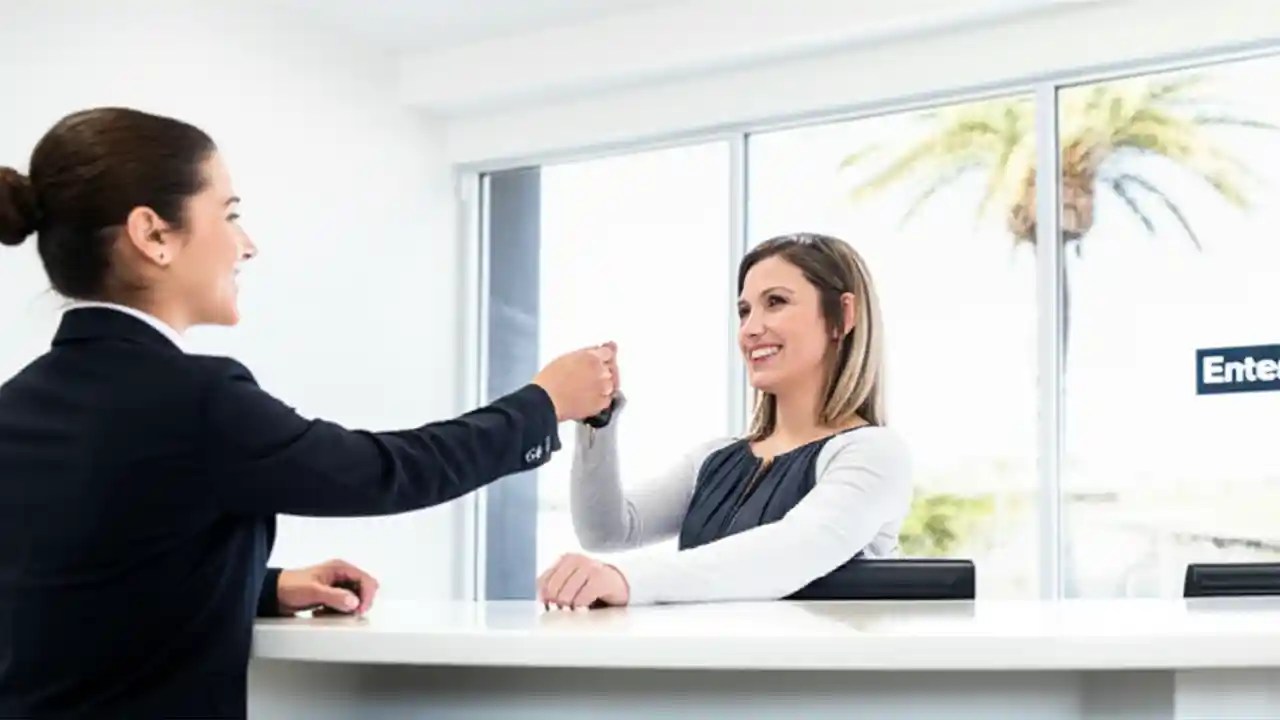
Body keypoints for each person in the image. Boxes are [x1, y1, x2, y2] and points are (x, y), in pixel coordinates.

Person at [0, 107, 614, 718]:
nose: (247, 245)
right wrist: (545, 404)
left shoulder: (17, 404)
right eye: (229, 215)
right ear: (153, 235)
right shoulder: (196, 401)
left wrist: (265, 585)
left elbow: (80, 575)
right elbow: (390, 471)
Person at [536, 233, 912, 609]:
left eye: (776, 302)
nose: (750, 328)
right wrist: (597, 422)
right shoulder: (716, 459)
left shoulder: (873, 453)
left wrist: (623, 579)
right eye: (745, 311)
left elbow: (790, 552)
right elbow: (606, 531)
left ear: (843, 316)